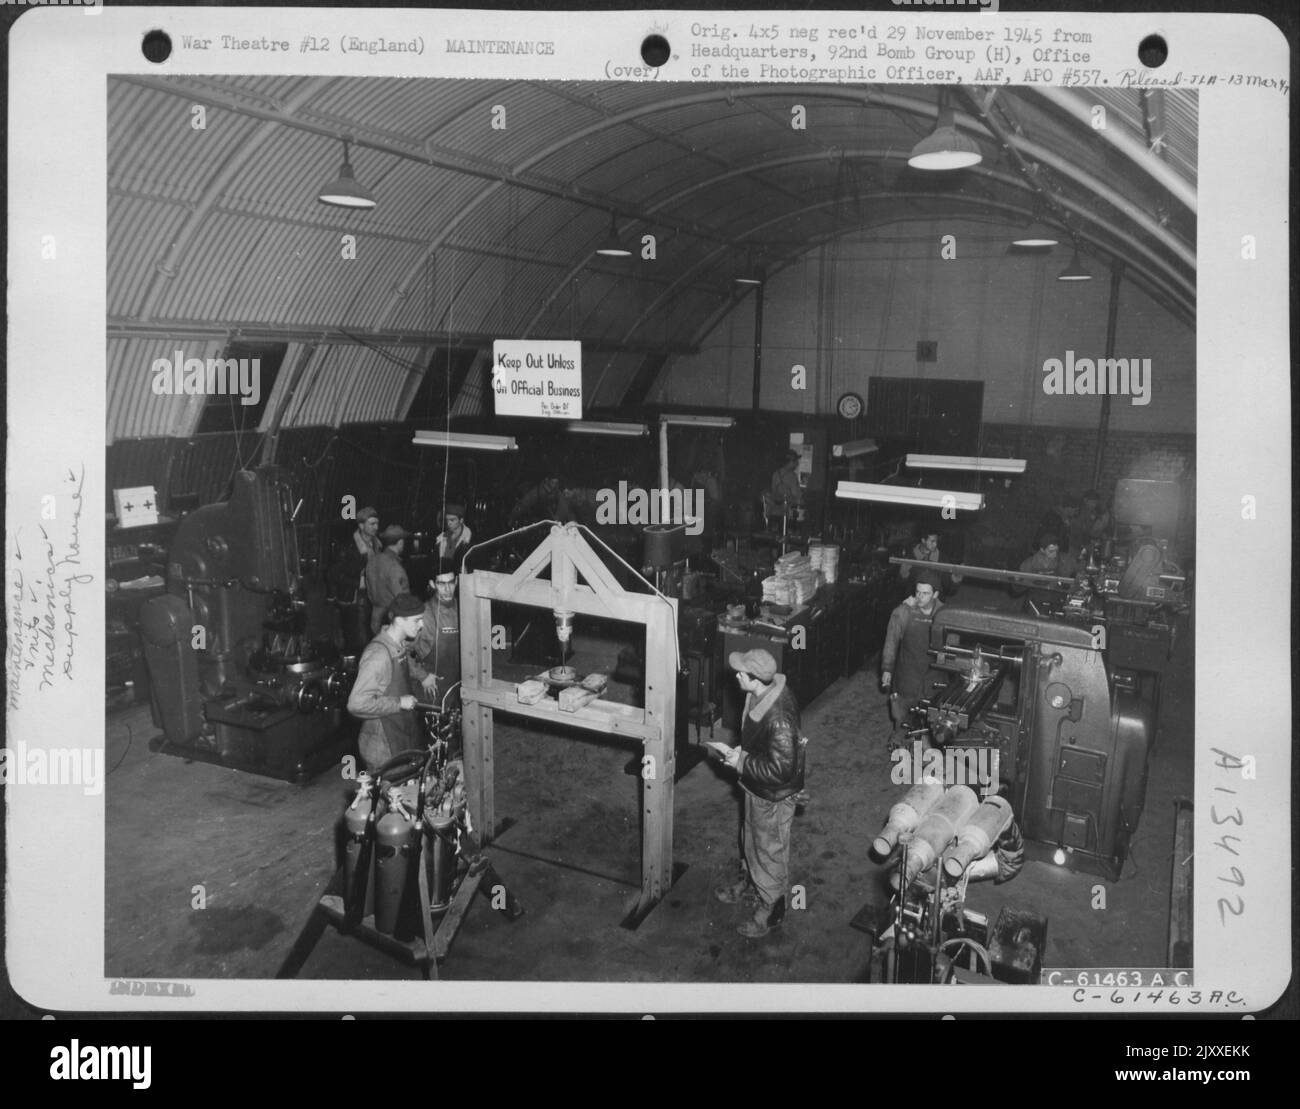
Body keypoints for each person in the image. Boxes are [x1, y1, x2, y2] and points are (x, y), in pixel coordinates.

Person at [712, 648, 806, 939]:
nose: (736, 674)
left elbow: (782, 769)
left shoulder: (778, 718)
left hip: (773, 795)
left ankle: (771, 909)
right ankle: (751, 883)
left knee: (769, 851)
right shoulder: (760, 694)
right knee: (750, 839)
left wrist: (740, 761)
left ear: (754, 679)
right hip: (756, 786)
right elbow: (762, 743)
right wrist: (744, 753)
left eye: (741, 672)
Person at [347, 593, 425, 773]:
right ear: (398, 620)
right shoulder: (378, 655)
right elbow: (356, 704)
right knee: (388, 798)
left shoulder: (398, 644)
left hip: (401, 734)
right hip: (382, 744)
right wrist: (399, 703)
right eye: (417, 620)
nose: (422, 625)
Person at [881, 569, 944, 747]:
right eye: (918, 592)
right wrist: (887, 668)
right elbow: (891, 641)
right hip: (907, 674)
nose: (920, 597)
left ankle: (927, 741)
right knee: (901, 714)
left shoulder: (944, 615)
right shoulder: (904, 612)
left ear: (936, 594)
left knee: (930, 719)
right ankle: (899, 737)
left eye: (926, 593)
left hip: (933, 677)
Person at [409, 570, 461, 717]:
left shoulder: (464, 607)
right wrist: (422, 676)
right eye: (441, 584)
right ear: (432, 584)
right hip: (431, 687)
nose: (447, 589)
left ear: (456, 581)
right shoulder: (423, 613)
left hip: (458, 684)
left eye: (451, 583)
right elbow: (402, 650)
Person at [328, 506, 380, 653]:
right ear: (361, 525)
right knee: (357, 639)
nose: (376, 527)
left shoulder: (377, 545)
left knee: (370, 635)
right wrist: (359, 583)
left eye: (377, 523)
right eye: (372, 524)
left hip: (372, 597)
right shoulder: (348, 547)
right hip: (354, 599)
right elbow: (334, 574)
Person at [367, 524, 411, 633]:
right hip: (392, 619)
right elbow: (401, 598)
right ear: (400, 542)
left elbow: (369, 588)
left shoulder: (373, 560)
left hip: (375, 618)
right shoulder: (394, 566)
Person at [1016, 531, 1077, 611]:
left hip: (1057, 604)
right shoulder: (1029, 564)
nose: (1055, 554)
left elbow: (1078, 572)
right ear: (1042, 550)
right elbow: (1017, 589)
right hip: (1034, 604)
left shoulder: (1065, 561)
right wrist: (1020, 581)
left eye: (1056, 550)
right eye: (1051, 551)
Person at [435, 502, 473, 574]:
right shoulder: (441, 539)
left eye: (452, 520)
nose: (449, 523)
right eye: (447, 520)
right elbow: (435, 564)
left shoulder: (469, 541)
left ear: (461, 520)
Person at [769, 449, 804, 516]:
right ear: (791, 461)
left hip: (775, 511)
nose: (797, 464)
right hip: (788, 512)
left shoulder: (776, 474)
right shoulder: (792, 476)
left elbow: (773, 492)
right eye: (796, 461)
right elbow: (796, 495)